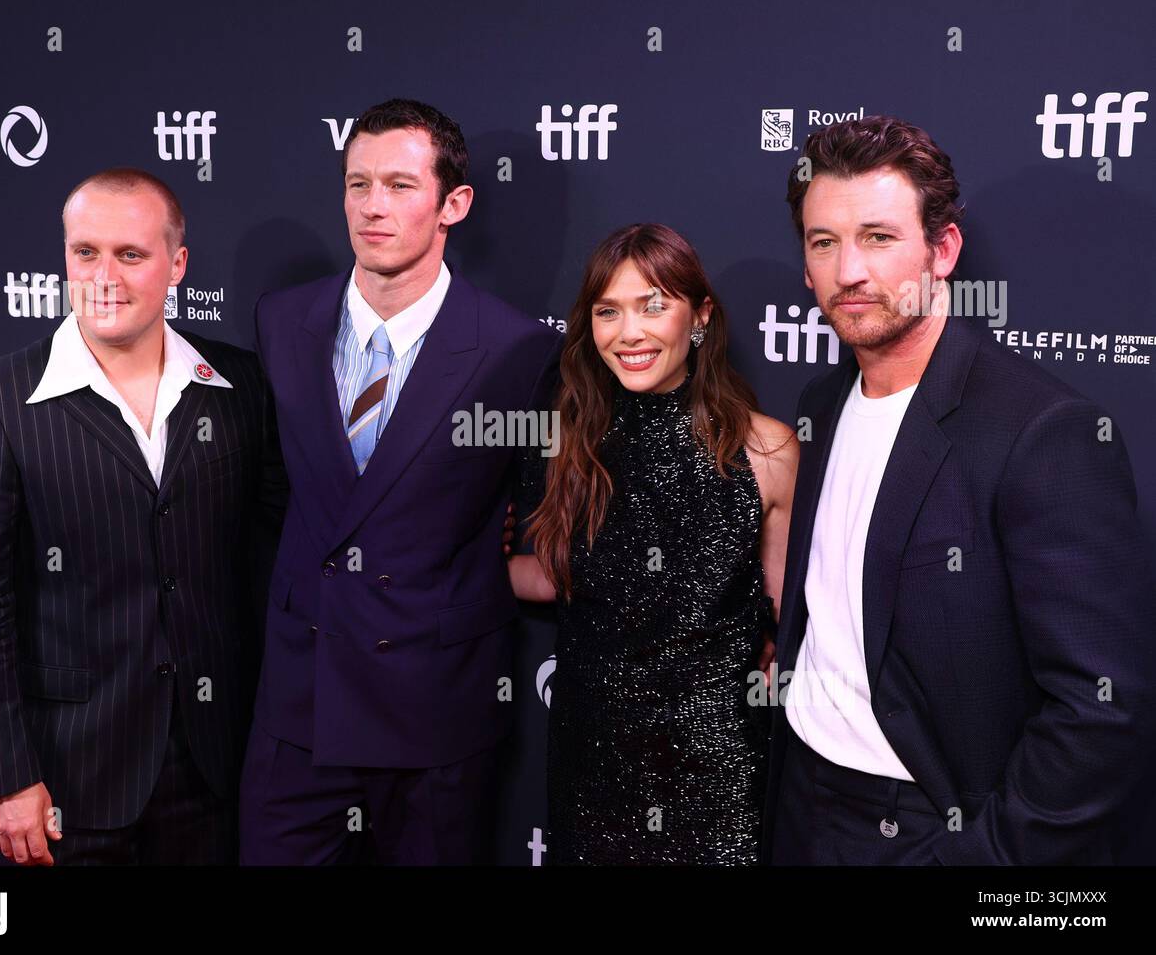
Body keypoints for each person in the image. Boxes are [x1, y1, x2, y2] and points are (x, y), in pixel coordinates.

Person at [763, 116, 1156, 865]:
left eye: (878, 238)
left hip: (926, 827)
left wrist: (983, 858)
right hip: (800, 801)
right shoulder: (818, 403)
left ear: (940, 251)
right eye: (823, 242)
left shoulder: (1044, 432)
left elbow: (1101, 711)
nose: (847, 271)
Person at [239, 98, 563, 865]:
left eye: (399, 186)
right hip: (299, 704)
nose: (372, 208)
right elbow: (280, 494)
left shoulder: (514, 350)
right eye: (358, 185)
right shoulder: (281, 321)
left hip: (436, 715)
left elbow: (539, 515)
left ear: (454, 203)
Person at [0, 167, 285, 865]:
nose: (103, 276)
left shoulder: (240, 386)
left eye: (131, 255)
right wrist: (6, 776)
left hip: (215, 766)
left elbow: (274, 554)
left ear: (177, 264)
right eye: (85, 252)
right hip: (71, 775)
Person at [508, 223, 798, 864]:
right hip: (592, 759)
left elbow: (786, 617)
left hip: (716, 768)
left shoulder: (768, 449)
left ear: (699, 317)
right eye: (607, 311)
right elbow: (565, 577)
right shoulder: (568, 441)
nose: (628, 333)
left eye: (653, 305)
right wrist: (473, 565)